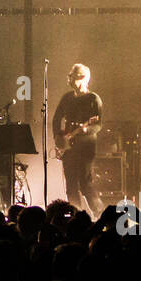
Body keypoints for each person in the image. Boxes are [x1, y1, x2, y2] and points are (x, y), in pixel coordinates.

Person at [53, 64, 103, 214]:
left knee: (85, 183)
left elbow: (98, 124)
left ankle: (100, 213)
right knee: (71, 186)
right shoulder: (67, 97)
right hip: (69, 146)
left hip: (86, 147)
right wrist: (58, 137)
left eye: (72, 76)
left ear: (83, 78)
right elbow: (56, 119)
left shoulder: (93, 99)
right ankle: (76, 216)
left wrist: (86, 129)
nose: (69, 79)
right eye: (69, 76)